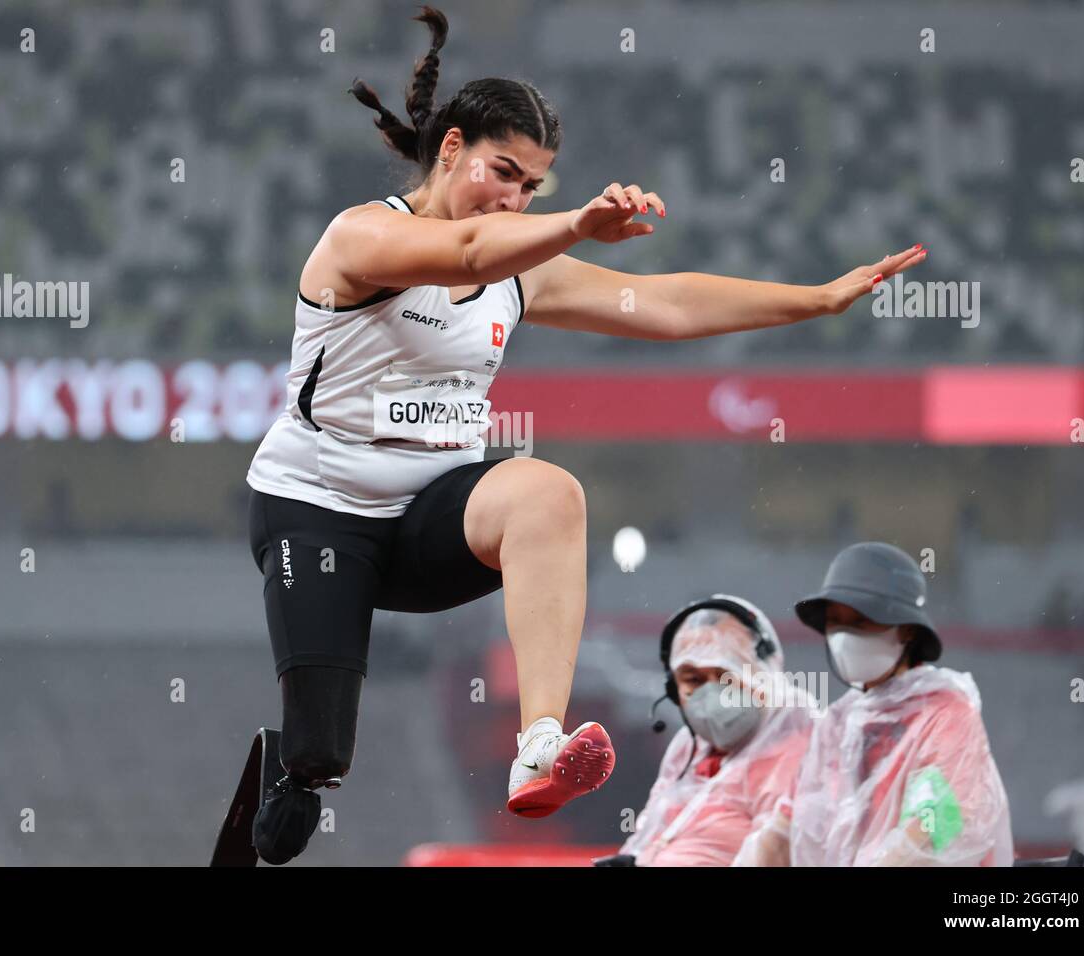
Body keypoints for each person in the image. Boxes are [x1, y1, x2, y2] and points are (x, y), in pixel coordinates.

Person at [244, 5, 928, 865]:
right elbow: (463, 254)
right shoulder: (361, 236)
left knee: (549, 493)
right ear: (449, 149)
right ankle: (294, 776)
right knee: (317, 763)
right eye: (503, 172)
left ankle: (539, 748)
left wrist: (815, 298)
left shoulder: (518, 268)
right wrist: (571, 225)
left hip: (429, 520)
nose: (514, 197)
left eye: (533, 187)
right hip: (316, 512)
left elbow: (668, 304)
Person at [737, 542, 1014, 866]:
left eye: (860, 621)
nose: (843, 637)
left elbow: (933, 829)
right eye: (835, 622)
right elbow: (790, 826)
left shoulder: (946, 715)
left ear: (906, 630)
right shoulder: (838, 724)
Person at [596, 596, 814, 867]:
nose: (712, 693)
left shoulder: (797, 747)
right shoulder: (689, 747)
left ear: (763, 673)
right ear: (674, 691)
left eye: (726, 676)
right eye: (694, 680)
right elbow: (653, 831)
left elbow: (781, 852)